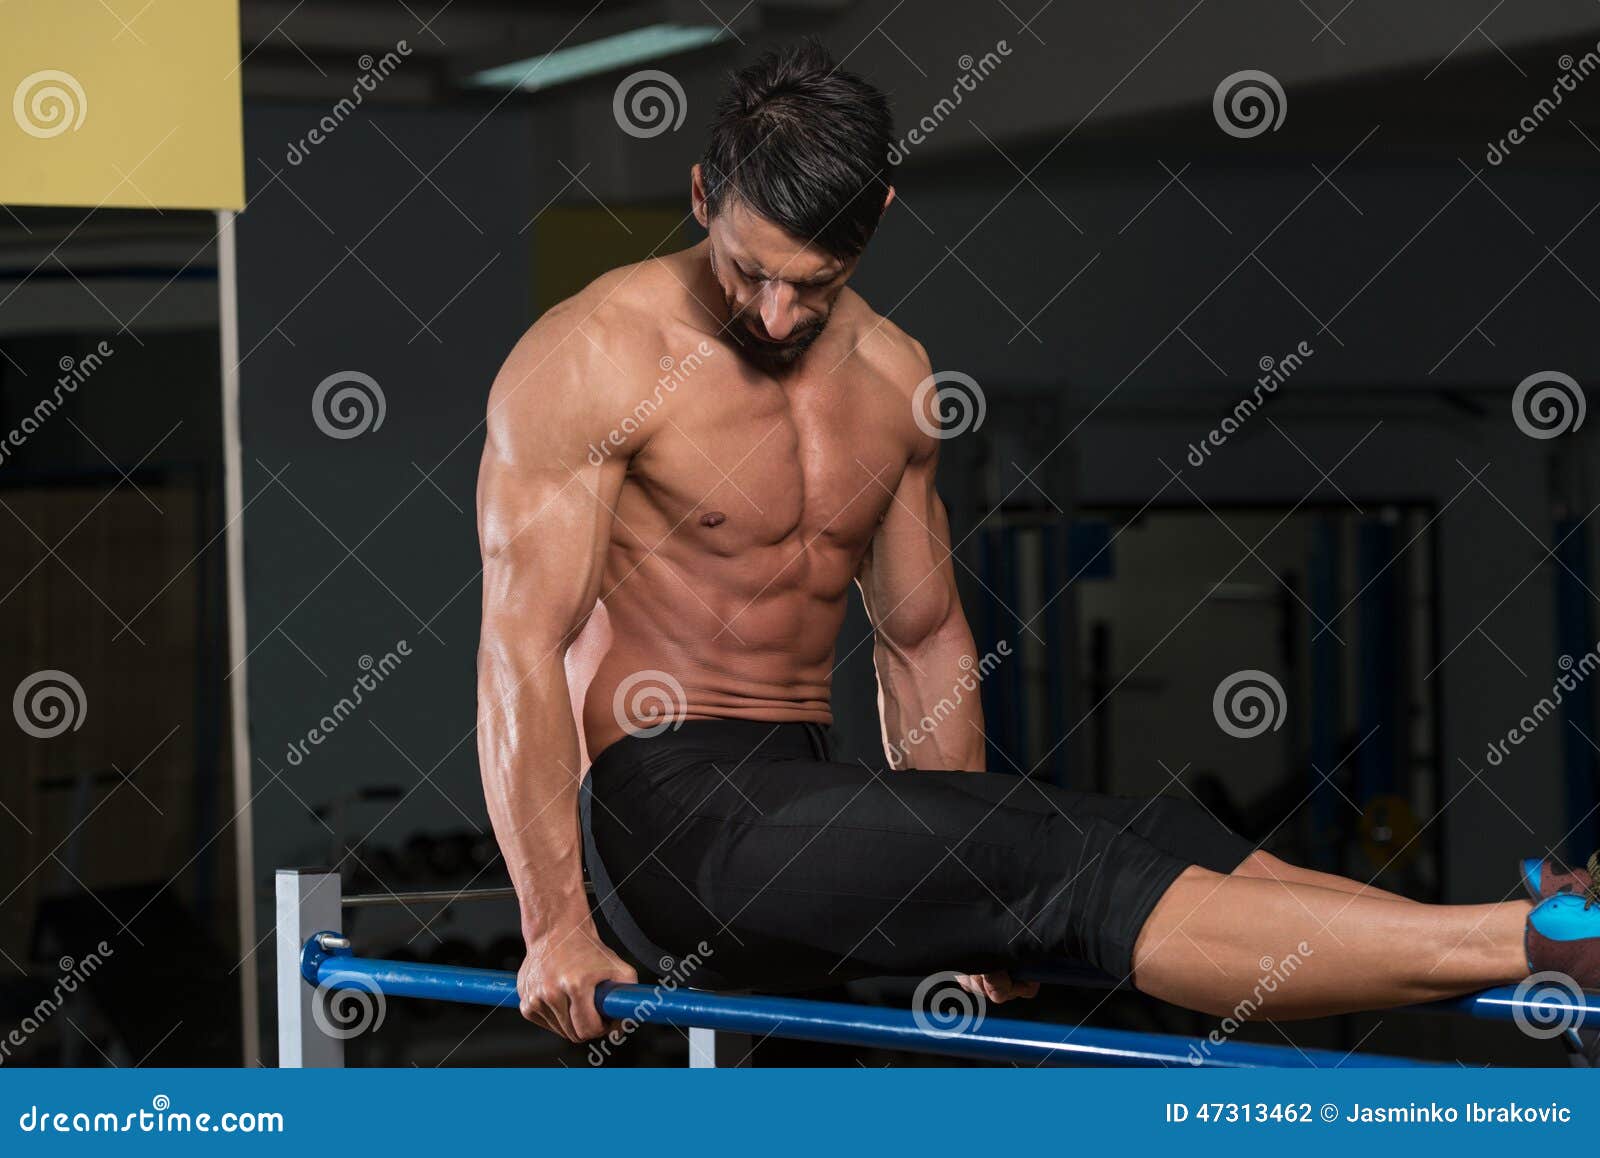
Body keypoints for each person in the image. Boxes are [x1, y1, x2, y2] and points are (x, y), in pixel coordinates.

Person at [474, 39, 1598, 1046]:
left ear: (874, 221)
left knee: (1161, 826)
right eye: (746, 270)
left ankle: (1543, 926)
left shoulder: (895, 379)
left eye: (811, 283)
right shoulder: (592, 358)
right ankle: (1540, 943)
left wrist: (946, 882)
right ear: (701, 195)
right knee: (1063, 864)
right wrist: (553, 925)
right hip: (664, 827)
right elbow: (518, 650)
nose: (774, 314)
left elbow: (920, 640)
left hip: (802, 798)